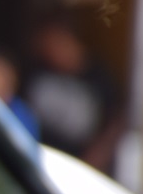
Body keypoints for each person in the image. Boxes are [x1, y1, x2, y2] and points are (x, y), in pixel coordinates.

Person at [21, 16, 125, 173]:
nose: (52, 51)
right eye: (47, 46)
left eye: (56, 43)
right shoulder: (38, 77)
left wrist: (92, 160)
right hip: (48, 165)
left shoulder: (100, 78)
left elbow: (115, 123)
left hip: (84, 170)